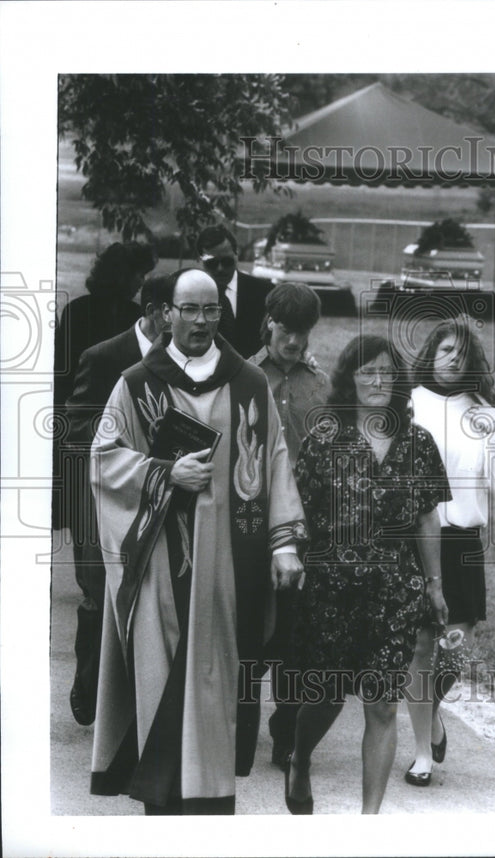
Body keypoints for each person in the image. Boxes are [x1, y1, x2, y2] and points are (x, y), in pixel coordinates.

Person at [89, 268, 306, 815]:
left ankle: (209, 801)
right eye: (189, 310)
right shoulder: (136, 383)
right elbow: (103, 460)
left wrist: (284, 544)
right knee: (161, 674)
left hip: (229, 567)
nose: (201, 321)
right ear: (168, 313)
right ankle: (160, 800)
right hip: (159, 561)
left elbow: (277, 463)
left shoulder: (249, 385)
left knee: (216, 680)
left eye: (211, 311)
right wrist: (163, 473)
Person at [286, 335, 450, 814]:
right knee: (326, 698)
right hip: (331, 591)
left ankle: (368, 825)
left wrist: (435, 585)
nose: (378, 381)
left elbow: (425, 517)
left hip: (396, 591)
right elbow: (299, 512)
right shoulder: (324, 437)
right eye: (366, 372)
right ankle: (300, 758)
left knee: (381, 705)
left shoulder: (417, 443)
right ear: (349, 380)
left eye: (386, 372)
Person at [404, 315, 495, 786]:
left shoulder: (483, 408)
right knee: (420, 648)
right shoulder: (410, 403)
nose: (454, 358)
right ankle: (419, 753)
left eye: (462, 352)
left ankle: (430, 715)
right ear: (431, 354)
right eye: (445, 349)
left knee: (451, 653)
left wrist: (494, 427)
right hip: (419, 540)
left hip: (464, 544)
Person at [65, 274, 171, 727]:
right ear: (151, 311)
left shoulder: (184, 363)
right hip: (101, 499)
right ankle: (88, 683)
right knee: (98, 595)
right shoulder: (104, 357)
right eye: (174, 310)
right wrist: (132, 440)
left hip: (160, 500)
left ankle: (136, 699)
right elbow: (75, 434)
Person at [248, 281, 330, 769]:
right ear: (269, 323)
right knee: (248, 634)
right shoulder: (240, 376)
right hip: (249, 528)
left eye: (304, 332)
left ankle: (287, 736)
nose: (295, 341)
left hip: (305, 533)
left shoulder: (320, 387)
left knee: (297, 641)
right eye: (287, 330)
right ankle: (237, 729)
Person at [53, 241, 157, 531]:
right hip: (102, 424)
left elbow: (62, 379)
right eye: (139, 274)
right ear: (123, 275)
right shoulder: (131, 316)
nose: (142, 282)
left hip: (89, 423)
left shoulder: (78, 310)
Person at [197, 224, 272, 358]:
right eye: (212, 263)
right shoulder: (190, 294)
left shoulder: (264, 292)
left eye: (227, 261)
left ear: (237, 255)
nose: (220, 269)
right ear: (199, 261)